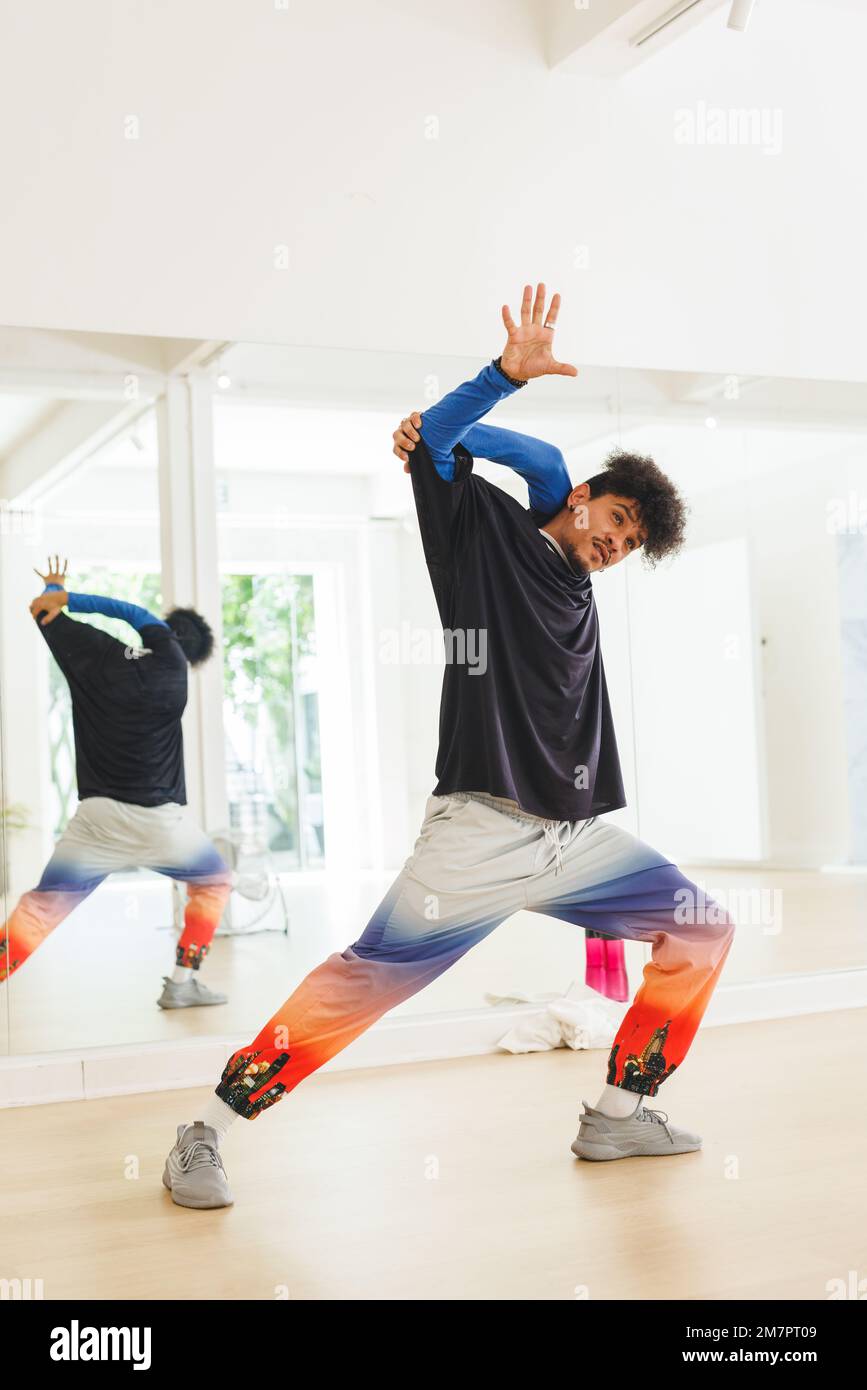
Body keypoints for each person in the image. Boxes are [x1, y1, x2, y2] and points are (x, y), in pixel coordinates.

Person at [162, 285, 735, 1210]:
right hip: (478, 832)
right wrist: (504, 384)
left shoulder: (575, 584)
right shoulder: (478, 538)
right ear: (583, 497)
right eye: (613, 524)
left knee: (703, 928)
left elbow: (531, 476)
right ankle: (206, 1132)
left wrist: (543, 472)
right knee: (362, 985)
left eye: (629, 546)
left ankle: (620, 1112)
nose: (612, 548)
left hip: (572, 838)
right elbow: (437, 440)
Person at [0, 558, 232, 1009]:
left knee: (39, 910)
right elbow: (145, 624)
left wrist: (58, 592)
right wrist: (63, 596)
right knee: (215, 881)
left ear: (166, 630)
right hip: (160, 824)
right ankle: (182, 981)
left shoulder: (96, 655)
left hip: (95, 822)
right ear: (189, 650)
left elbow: (46, 612)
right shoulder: (173, 668)